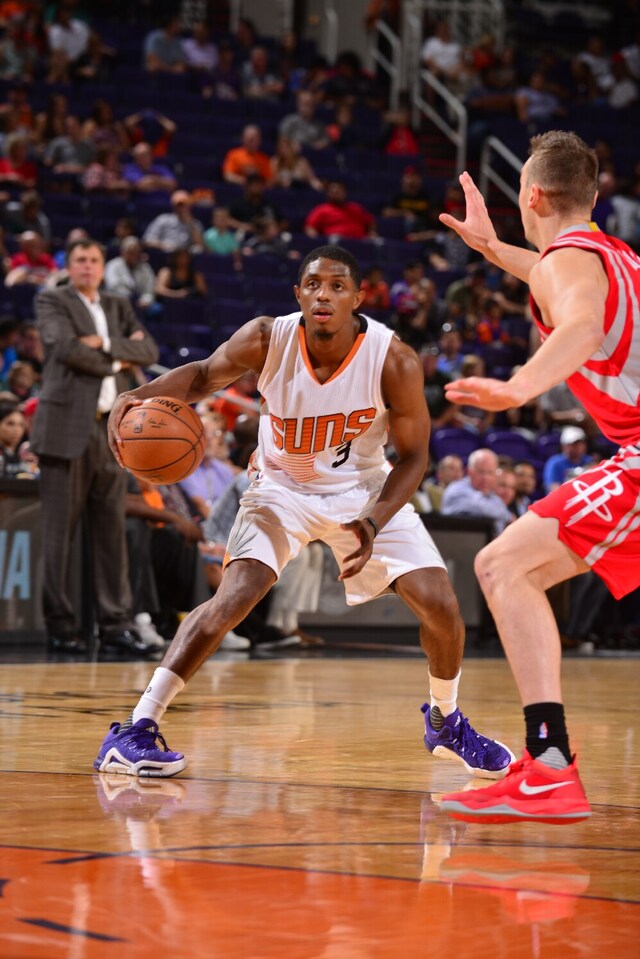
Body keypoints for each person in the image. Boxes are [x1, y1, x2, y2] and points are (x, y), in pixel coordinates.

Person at [94, 244, 515, 779]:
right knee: (233, 598)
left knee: (441, 604)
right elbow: (201, 376)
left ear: (358, 297)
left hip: (362, 490)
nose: (324, 294)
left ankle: (446, 720)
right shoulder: (266, 338)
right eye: (314, 284)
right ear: (298, 294)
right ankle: (134, 729)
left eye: (338, 286)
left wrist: (373, 521)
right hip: (280, 487)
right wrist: (139, 394)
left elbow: (414, 458)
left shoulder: (394, 359)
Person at [436, 130, 640, 824]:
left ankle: (548, 767)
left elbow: (580, 326)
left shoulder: (569, 261)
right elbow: (556, 282)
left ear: (533, 197)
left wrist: (517, 387)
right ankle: (546, 764)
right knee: (511, 566)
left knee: (503, 566)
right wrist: (492, 248)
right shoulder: (609, 254)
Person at [30, 238, 159, 657]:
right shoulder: (52, 300)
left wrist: (102, 344)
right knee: (58, 535)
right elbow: (66, 349)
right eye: (80, 260)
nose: (87, 266)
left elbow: (149, 350)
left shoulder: (118, 305)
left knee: (111, 533)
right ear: (70, 266)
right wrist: (121, 355)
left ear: (103, 267)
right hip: (65, 429)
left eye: (94, 260)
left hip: (110, 431)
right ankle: (61, 626)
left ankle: (115, 626)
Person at [441, 448, 513, 532]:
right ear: (469, 472)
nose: (485, 478)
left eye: (490, 473)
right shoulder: (456, 490)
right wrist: (506, 515)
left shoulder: (492, 496)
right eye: (481, 472)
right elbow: (482, 508)